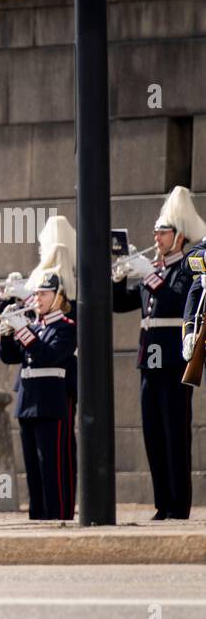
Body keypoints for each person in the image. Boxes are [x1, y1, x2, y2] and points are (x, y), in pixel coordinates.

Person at [115, 188, 204, 520]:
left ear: (178, 236)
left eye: (162, 232)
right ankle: (162, 503)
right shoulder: (155, 270)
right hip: (149, 360)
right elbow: (120, 304)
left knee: (175, 433)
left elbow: (174, 301)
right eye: (155, 231)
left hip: (174, 360)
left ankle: (179, 505)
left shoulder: (189, 267)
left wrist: (148, 274)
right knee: (152, 433)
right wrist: (119, 276)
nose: (156, 237)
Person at [0, 265, 76, 519]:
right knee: (33, 469)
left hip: (51, 403)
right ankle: (38, 517)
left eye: (43, 294)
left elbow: (49, 356)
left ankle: (58, 515)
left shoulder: (65, 327)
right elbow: (9, 357)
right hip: (27, 402)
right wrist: (7, 333)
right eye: (36, 294)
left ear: (58, 296)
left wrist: (22, 329)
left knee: (52, 467)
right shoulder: (35, 327)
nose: (37, 299)